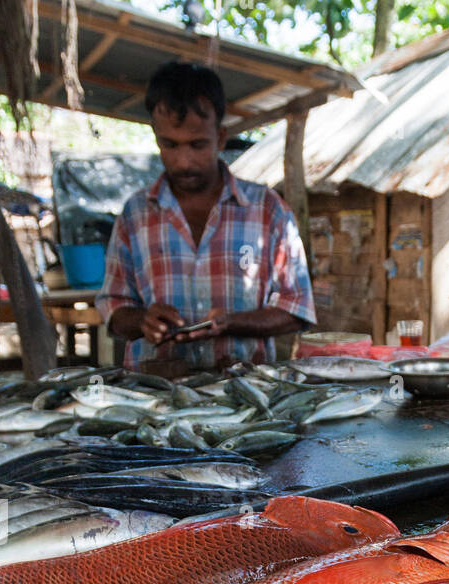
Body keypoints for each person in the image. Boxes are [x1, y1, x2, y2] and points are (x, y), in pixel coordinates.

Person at [97, 61, 316, 372]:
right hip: (155, 395)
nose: (184, 160)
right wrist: (143, 321)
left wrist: (230, 323)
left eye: (198, 145)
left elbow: (297, 309)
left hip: (244, 399)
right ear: (156, 136)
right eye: (169, 144)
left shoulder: (267, 210)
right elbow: (113, 307)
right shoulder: (135, 215)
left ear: (221, 137)